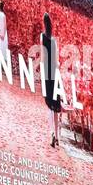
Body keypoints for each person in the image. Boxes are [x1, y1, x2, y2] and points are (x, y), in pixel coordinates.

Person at [41, 12, 63, 148]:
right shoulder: (55, 40)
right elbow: (58, 62)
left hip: (47, 73)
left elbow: (43, 57)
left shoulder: (42, 37)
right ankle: (58, 137)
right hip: (55, 73)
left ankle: (52, 133)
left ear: (44, 24)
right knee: (55, 106)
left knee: (49, 105)